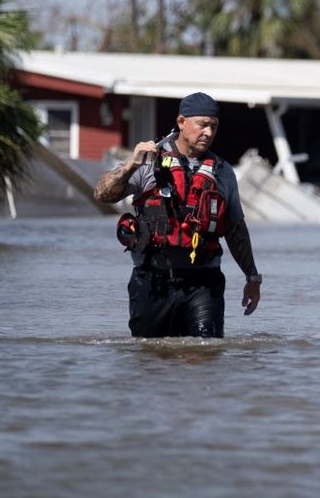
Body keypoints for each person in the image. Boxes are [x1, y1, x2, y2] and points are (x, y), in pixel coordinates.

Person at [94, 92, 263, 338]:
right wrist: (131, 164)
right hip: (153, 281)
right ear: (182, 122)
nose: (208, 132)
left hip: (204, 283)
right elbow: (102, 194)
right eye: (202, 124)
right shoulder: (148, 161)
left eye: (213, 126)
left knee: (205, 353)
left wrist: (252, 277)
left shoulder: (223, 172)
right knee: (151, 358)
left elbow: (236, 229)